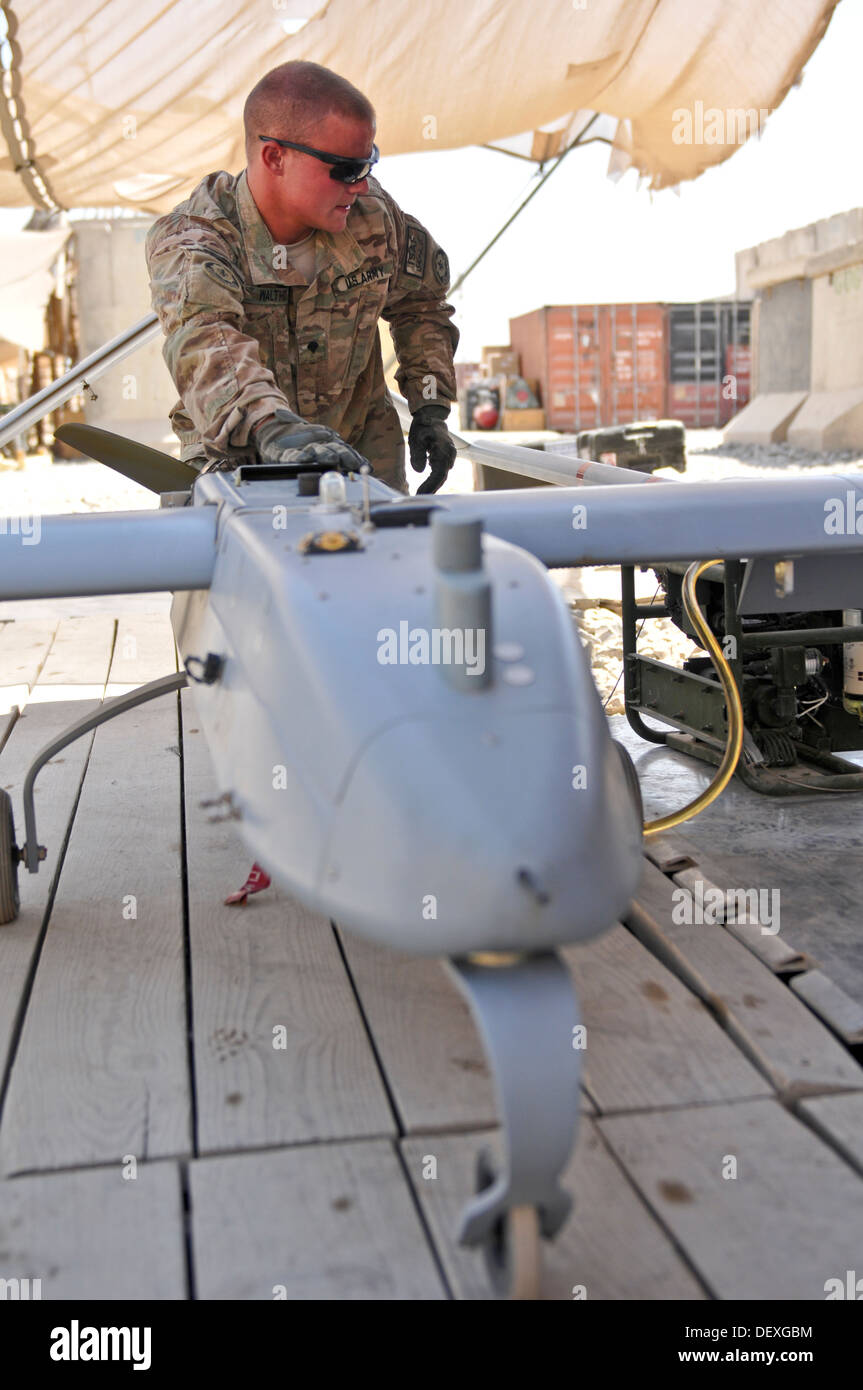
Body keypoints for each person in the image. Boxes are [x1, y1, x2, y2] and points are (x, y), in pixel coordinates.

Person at [145, 60, 459, 494]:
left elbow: (422, 305)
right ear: (275, 157)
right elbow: (205, 340)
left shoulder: (373, 221)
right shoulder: (197, 239)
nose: (362, 185)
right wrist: (271, 427)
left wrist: (430, 406)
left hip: (362, 456)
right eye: (345, 169)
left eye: (369, 163)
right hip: (245, 463)